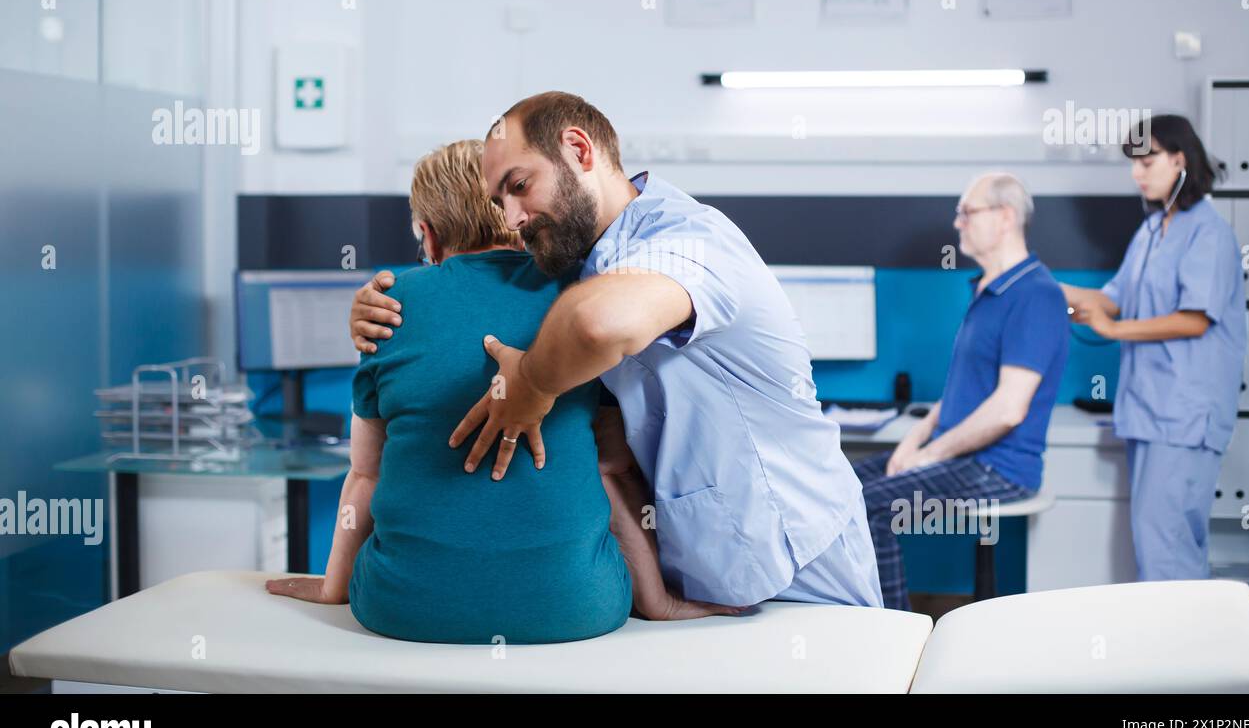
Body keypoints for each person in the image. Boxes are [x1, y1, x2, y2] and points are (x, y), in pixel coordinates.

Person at [349, 91, 883, 609]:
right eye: (498, 202)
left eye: (520, 185)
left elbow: (598, 323)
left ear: (579, 151)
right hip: (704, 569)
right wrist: (375, 307)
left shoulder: (692, 239)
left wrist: (531, 386)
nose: (511, 217)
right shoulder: (581, 262)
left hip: (797, 564)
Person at [267, 140, 726, 642]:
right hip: (580, 611)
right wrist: (656, 602)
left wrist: (335, 588)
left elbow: (364, 473)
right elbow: (612, 469)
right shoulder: (581, 293)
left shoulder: (387, 307)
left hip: (401, 609)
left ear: (429, 234)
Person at [854, 173, 1069, 610]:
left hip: (997, 468)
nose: (958, 224)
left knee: (869, 506)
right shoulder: (987, 290)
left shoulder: (1035, 295)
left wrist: (928, 456)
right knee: (843, 484)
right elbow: (954, 394)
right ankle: (853, 615)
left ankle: (896, 633)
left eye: (967, 212)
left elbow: (1008, 410)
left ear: (1005, 217)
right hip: (961, 456)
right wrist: (910, 443)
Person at [1062, 115, 1245, 581]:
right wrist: (1040, 286)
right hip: (1149, 411)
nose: (1136, 173)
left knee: (1167, 546)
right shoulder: (1150, 232)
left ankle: (1180, 651)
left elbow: (1194, 319)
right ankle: (1176, 646)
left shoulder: (1210, 233)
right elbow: (1113, 298)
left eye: (1147, 161)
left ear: (1179, 160)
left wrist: (1112, 330)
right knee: (1158, 541)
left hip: (1184, 416)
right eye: (1134, 164)